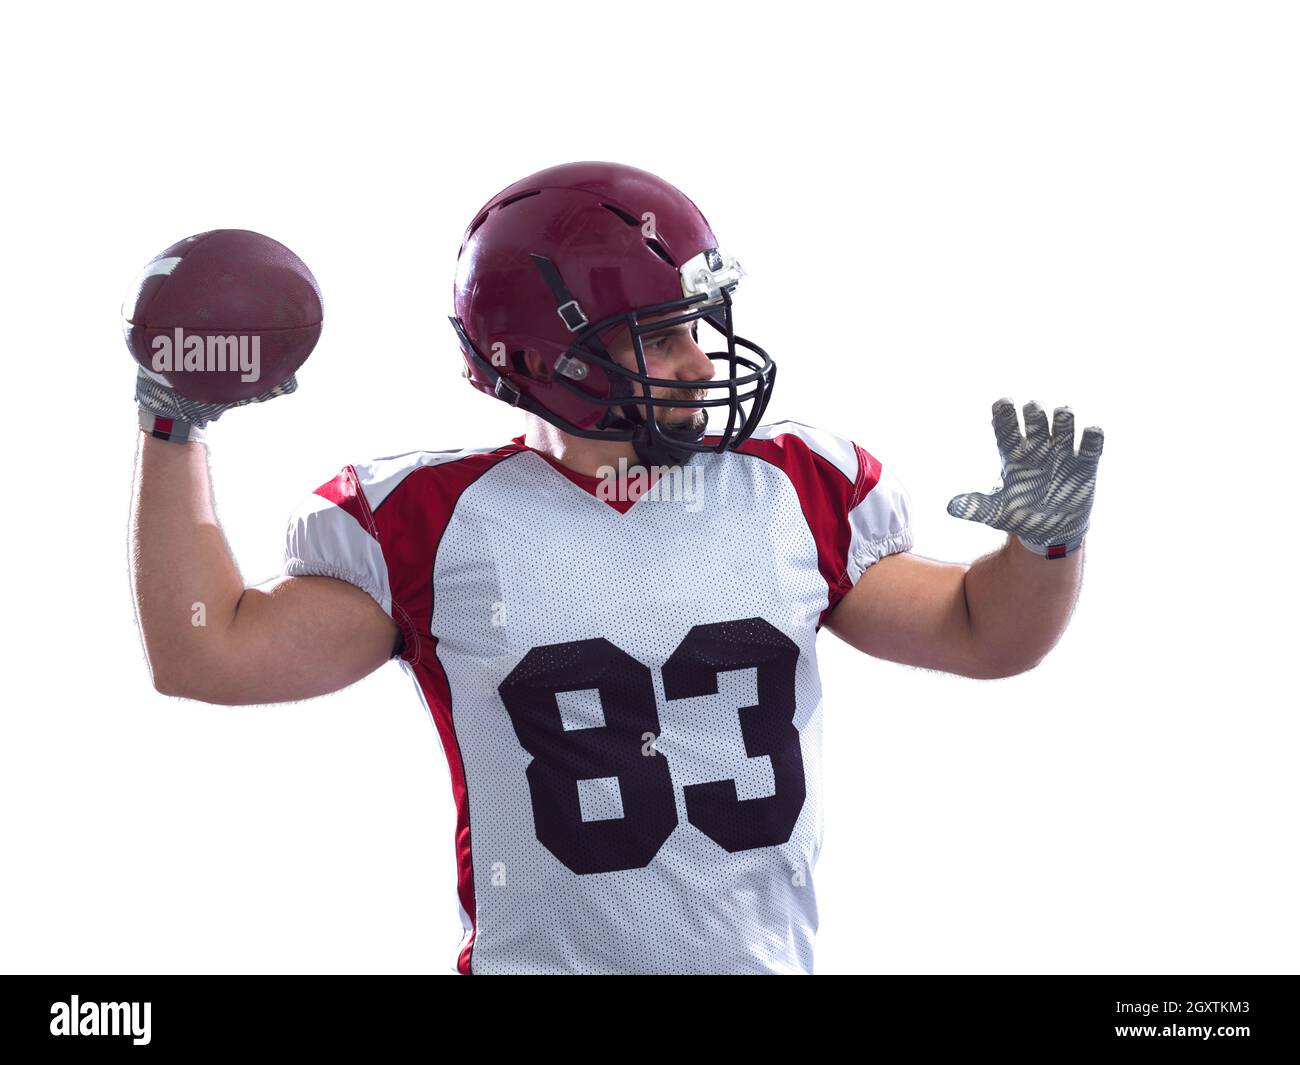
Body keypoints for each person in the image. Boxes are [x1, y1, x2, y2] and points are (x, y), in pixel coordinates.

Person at [129, 161, 1102, 974]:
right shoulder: (431, 524)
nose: (699, 357)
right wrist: (176, 424)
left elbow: (985, 634)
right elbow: (208, 655)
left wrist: (1045, 544)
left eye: (700, 320)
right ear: (554, 360)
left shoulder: (792, 488)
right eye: (662, 334)